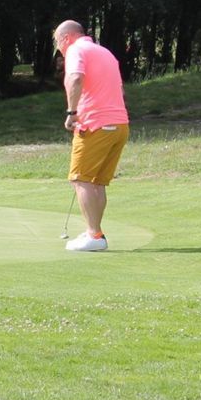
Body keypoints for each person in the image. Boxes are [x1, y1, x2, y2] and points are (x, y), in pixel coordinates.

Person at [54, 20, 130, 252]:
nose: (59, 47)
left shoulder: (76, 50)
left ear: (67, 37)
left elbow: (76, 78)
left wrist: (71, 112)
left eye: (58, 42)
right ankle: (95, 232)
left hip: (95, 125)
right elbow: (120, 87)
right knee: (97, 182)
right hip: (119, 125)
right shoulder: (104, 52)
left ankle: (94, 236)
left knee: (81, 179)